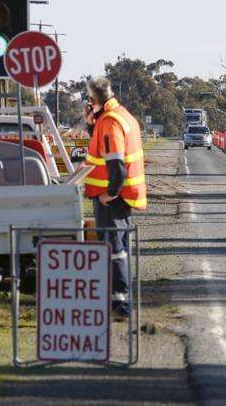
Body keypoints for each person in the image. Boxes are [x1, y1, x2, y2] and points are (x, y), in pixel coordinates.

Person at [83, 77, 147, 321]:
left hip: (112, 199)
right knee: (117, 248)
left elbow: (116, 165)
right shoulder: (120, 116)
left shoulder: (110, 123)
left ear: (94, 99)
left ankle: (120, 305)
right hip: (119, 196)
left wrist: (110, 193)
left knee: (113, 249)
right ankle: (119, 301)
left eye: (89, 100)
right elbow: (101, 149)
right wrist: (91, 123)